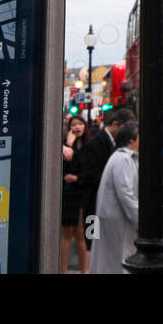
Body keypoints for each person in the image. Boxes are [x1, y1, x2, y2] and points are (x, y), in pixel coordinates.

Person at [76, 105, 135, 250]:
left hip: (108, 209)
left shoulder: (115, 144)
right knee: (93, 243)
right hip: (93, 205)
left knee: (107, 248)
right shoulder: (94, 144)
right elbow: (89, 176)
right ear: (115, 125)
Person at [90, 120, 139, 274]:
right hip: (118, 221)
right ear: (131, 139)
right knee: (118, 260)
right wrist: (139, 218)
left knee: (111, 259)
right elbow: (126, 194)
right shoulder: (123, 159)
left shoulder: (122, 157)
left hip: (114, 220)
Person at [60, 115, 89, 273]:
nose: (77, 127)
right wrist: (69, 145)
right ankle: (63, 270)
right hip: (69, 196)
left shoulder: (89, 145)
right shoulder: (65, 146)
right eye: (74, 124)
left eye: (80, 124)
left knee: (83, 235)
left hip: (84, 196)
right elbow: (64, 167)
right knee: (66, 233)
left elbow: (89, 169)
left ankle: (85, 270)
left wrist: (78, 178)